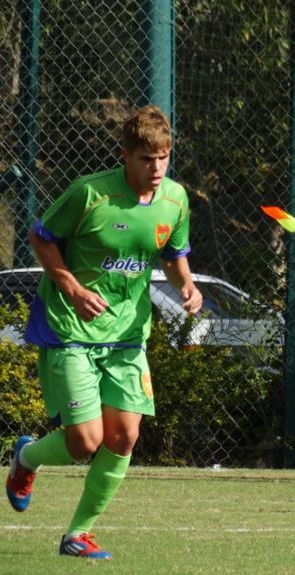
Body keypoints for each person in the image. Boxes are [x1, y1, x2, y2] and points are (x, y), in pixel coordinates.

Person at [5, 105, 203, 558]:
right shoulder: (89, 194)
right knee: (84, 442)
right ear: (125, 155)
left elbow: (173, 255)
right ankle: (26, 458)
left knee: (124, 437)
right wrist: (71, 286)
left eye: (164, 158)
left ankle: (78, 534)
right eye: (146, 159)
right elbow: (41, 236)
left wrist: (187, 285)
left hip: (128, 337)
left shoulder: (175, 200)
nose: (156, 168)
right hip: (72, 329)